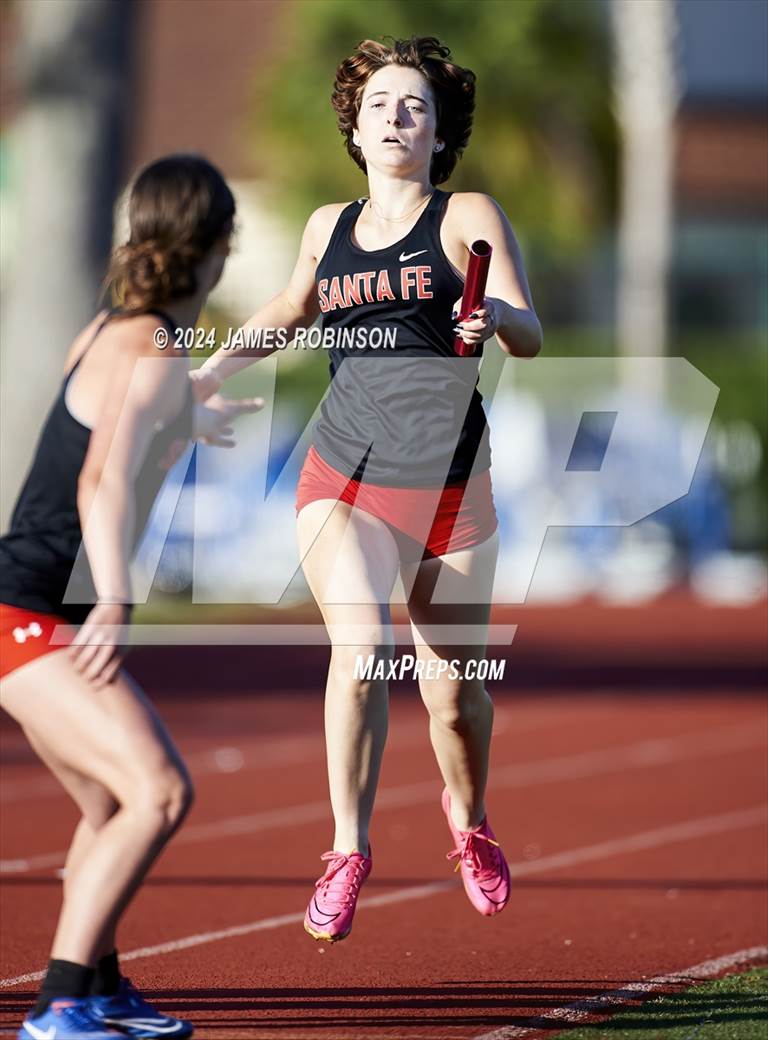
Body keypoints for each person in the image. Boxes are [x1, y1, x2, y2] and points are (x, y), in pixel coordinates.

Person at [191, 36, 542, 943]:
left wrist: (496, 316)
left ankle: (470, 822)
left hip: (450, 488)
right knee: (360, 650)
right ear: (354, 128)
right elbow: (289, 310)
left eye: (415, 106)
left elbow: (530, 330)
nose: (395, 116)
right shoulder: (326, 228)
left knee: (453, 700)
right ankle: (348, 849)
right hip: (343, 475)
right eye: (380, 103)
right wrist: (206, 372)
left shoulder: (467, 214)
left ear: (438, 134)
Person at [0, 154, 261, 1039]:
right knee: (159, 793)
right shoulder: (154, 344)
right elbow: (100, 480)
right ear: (219, 246)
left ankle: (99, 987)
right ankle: (59, 1004)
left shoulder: (117, 331)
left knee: (111, 804)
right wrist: (115, 598)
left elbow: (118, 423)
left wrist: (192, 414)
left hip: (26, 607)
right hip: (30, 611)